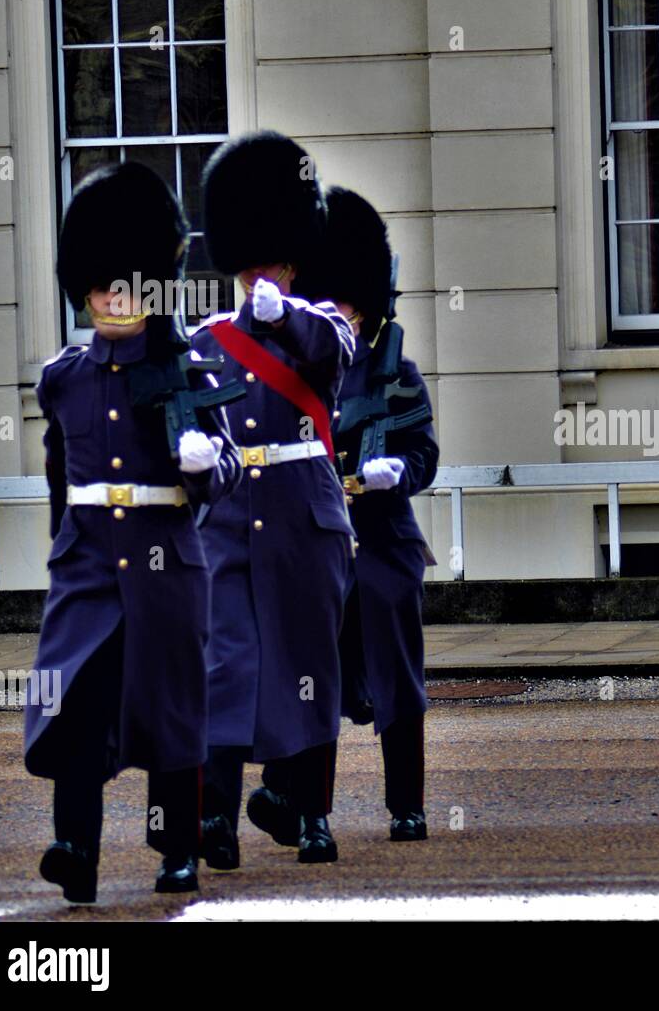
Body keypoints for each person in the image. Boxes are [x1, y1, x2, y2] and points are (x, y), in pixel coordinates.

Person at [27, 161, 241, 902]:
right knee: (73, 699)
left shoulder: (191, 371)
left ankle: (176, 850)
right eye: (102, 288)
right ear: (83, 290)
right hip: (88, 561)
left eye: (128, 287)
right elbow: (62, 478)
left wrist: (205, 461)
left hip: (165, 559)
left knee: (170, 710)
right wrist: (62, 556)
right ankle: (74, 845)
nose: (115, 301)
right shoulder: (63, 377)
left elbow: (230, 470)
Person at [193, 131, 356, 867]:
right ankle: (215, 820)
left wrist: (282, 313)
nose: (261, 276)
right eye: (251, 266)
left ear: (293, 263)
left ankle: (313, 814)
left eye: (275, 264)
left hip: (303, 509)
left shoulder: (316, 325)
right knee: (226, 665)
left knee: (308, 664)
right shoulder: (206, 340)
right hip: (228, 515)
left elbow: (334, 353)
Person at [260, 187, 440, 843]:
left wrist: (399, 472)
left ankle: (407, 804)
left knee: (398, 674)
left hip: (382, 535)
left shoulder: (395, 372)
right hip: (315, 540)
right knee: (310, 676)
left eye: (342, 304)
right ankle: (310, 812)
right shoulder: (289, 375)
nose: (333, 315)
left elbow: (422, 451)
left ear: (363, 307)